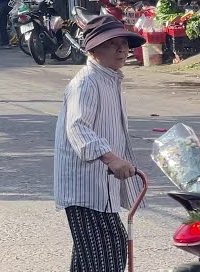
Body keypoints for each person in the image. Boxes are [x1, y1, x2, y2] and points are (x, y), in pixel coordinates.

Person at [54, 15, 145, 272]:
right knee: (107, 255)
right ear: (93, 49)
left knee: (95, 258)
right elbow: (78, 127)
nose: (121, 49)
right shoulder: (86, 83)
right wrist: (111, 158)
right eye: (111, 43)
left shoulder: (110, 80)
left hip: (102, 189)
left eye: (124, 43)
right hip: (85, 190)